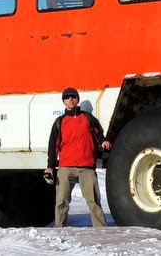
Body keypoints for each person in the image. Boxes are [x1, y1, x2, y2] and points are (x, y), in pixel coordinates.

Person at [45, 87, 112, 227]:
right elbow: (53, 146)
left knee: (94, 202)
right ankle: (59, 230)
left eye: (73, 97)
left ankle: (102, 232)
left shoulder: (88, 118)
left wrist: (103, 141)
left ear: (77, 99)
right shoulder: (59, 122)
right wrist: (50, 167)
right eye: (67, 97)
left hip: (87, 168)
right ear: (64, 101)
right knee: (61, 202)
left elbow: (99, 133)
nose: (71, 99)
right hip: (66, 168)